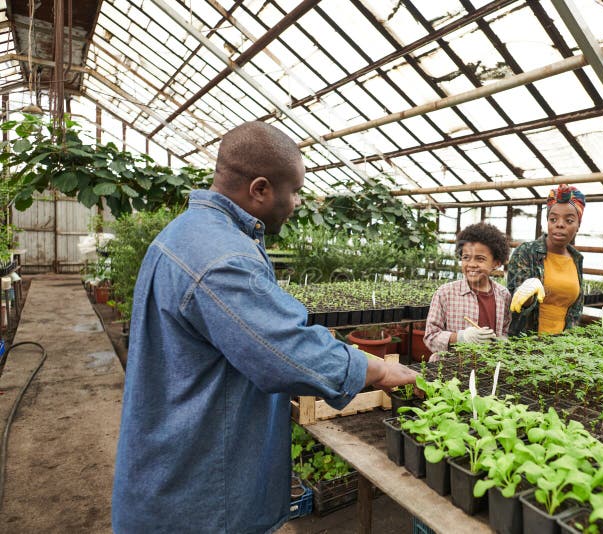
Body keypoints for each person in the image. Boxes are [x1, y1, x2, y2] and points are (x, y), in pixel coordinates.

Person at [111, 122, 417, 533]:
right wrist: (379, 369)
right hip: (202, 497)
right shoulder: (222, 258)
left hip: (172, 462)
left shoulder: (185, 234)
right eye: (294, 191)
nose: (296, 203)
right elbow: (284, 354)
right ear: (260, 189)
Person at [507, 184, 585, 336]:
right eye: (553, 219)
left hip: (562, 349)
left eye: (569, 221)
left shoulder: (576, 259)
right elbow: (515, 303)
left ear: (578, 225)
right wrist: (529, 292)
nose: (560, 224)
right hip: (527, 346)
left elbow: (576, 311)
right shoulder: (526, 252)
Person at [424, 222, 512, 353]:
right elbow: (430, 337)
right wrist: (460, 338)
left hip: (489, 368)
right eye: (466, 257)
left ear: (496, 263)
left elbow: (505, 331)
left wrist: (502, 341)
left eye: (480, 259)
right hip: (452, 367)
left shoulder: (503, 295)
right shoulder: (445, 293)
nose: (471, 264)